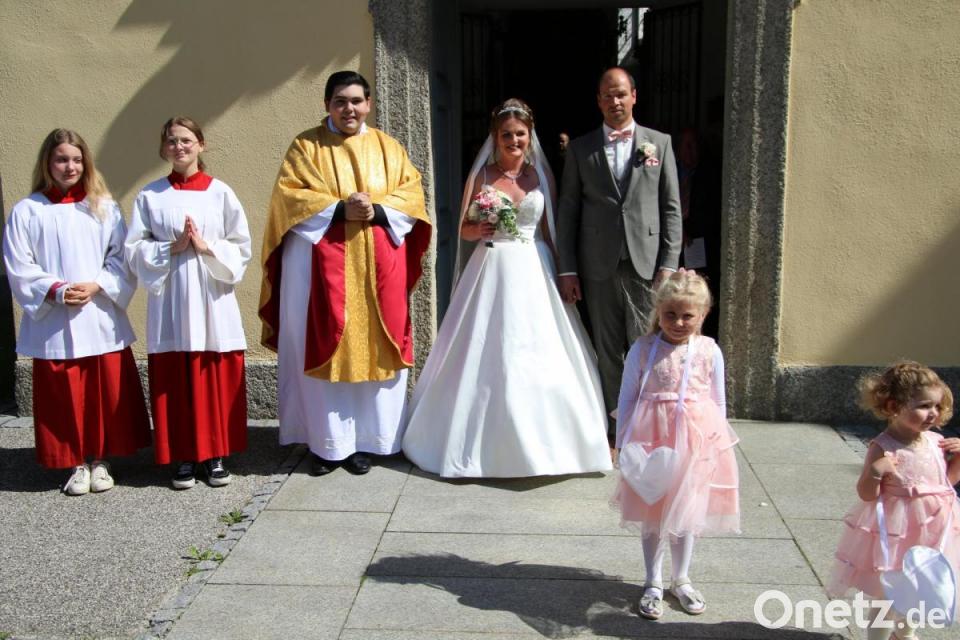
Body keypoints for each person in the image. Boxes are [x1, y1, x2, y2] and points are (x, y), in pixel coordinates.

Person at [402, 99, 611, 478]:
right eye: (506, 135)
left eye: (520, 134)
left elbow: (550, 230)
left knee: (537, 349)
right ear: (495, 138)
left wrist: (565, 274)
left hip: (536, 266)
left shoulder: (540, 175)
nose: (513, 140)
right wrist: (478, 229)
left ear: (529, 136)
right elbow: (463, 228)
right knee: (487, 346)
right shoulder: (482, 177)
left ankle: (552, 443)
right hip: (492, 265)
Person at [259, 71, 431, 477]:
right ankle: (327, 444)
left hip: (377, 269)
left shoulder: (389, 147)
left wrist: (378, 210)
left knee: (377, 346)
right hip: (320, 269)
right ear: (327, 105)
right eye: (340, 101)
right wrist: (339, 209)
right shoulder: (305, 147)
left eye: (356, 100)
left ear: (369, 103)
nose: (348, 108)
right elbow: (290, 196)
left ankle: (371, 442)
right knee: (323, 341)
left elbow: (412, 194)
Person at [3, 128, 150, 495]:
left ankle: (101, 460)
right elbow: (18, 263)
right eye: (61, 159)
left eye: (76, 159)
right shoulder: (28, 210)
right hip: (55, 316)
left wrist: (98, 284)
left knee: (103, 391)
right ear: (47, 163)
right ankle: (75, 463)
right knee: (63, 394)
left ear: (86, 163)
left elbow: (120, 257)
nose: (70, 166)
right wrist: (55, 289)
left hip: (98, 313)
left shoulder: (103, 207)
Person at [557, 67, 683, 445]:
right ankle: (618, 425)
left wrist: (668, 264)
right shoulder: (581, 149)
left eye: (621, 94)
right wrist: (568, 269)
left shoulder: (658, 143)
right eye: (608, 95)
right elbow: (568, 211)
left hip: (647, 264)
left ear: (634, 96)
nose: (615, 102)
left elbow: (671, 207)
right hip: (597, 264)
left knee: (651, 346)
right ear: (598, 100)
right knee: (608, 349)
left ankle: (654, 423)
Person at [126, 116, 251, 490]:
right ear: (163, 149)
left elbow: (240, 244)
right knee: (175, 378)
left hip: (212, 296)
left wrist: (206, 247)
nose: (178, 147)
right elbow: (133, 250)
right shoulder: (150, 195)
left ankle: (214, 454)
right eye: (171, 141)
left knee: (212, 372)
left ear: (201, 144)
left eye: (185, 140)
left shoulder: (221, 193)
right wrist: (171, 247)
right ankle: (182, 456)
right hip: (172, 299)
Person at [613, 270, 739, 619]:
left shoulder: (709, 351)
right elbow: (627, 397)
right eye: (671, 314)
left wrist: (719, 443)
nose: (679, 322)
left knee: (687, 509)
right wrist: (623, 441)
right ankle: (652, 581)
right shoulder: (642, 349)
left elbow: (718, 400)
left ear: (703, 314)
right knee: (653, 510)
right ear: (658, 311)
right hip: (651, 436)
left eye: (688, 315)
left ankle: (681, 578)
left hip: (696, 441)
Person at [829, 362, 959, 640]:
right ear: (893, 406)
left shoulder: (936, 442)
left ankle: (905, 631)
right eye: (924, 406)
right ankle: (878, 635)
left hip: (932, 525)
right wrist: (876, 472)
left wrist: (959, 459)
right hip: (895, 528)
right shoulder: (883, 445)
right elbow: (866, 494)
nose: (932, 413)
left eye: (937, 406)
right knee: (887, 588)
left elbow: (946, 481)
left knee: (919, 582)